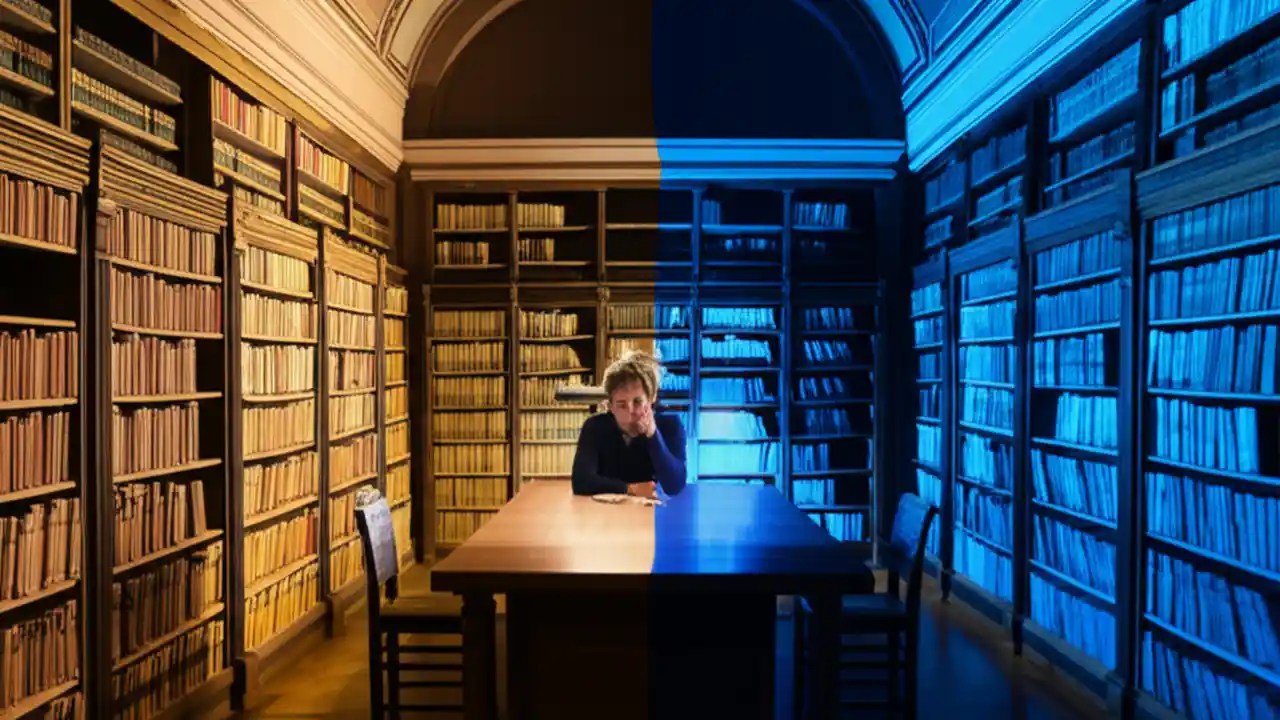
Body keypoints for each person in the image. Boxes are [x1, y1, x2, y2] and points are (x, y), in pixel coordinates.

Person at [571, 350, 687, 498]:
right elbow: (581, 482)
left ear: (651, 399)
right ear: (610, 406)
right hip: (604, 514)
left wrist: (652, 435)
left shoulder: (670, 423)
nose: (631, 411)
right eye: (621, 404)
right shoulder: (594, 426)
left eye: (638, 402)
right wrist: (631, 488)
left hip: (653, 514)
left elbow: (675, 486)